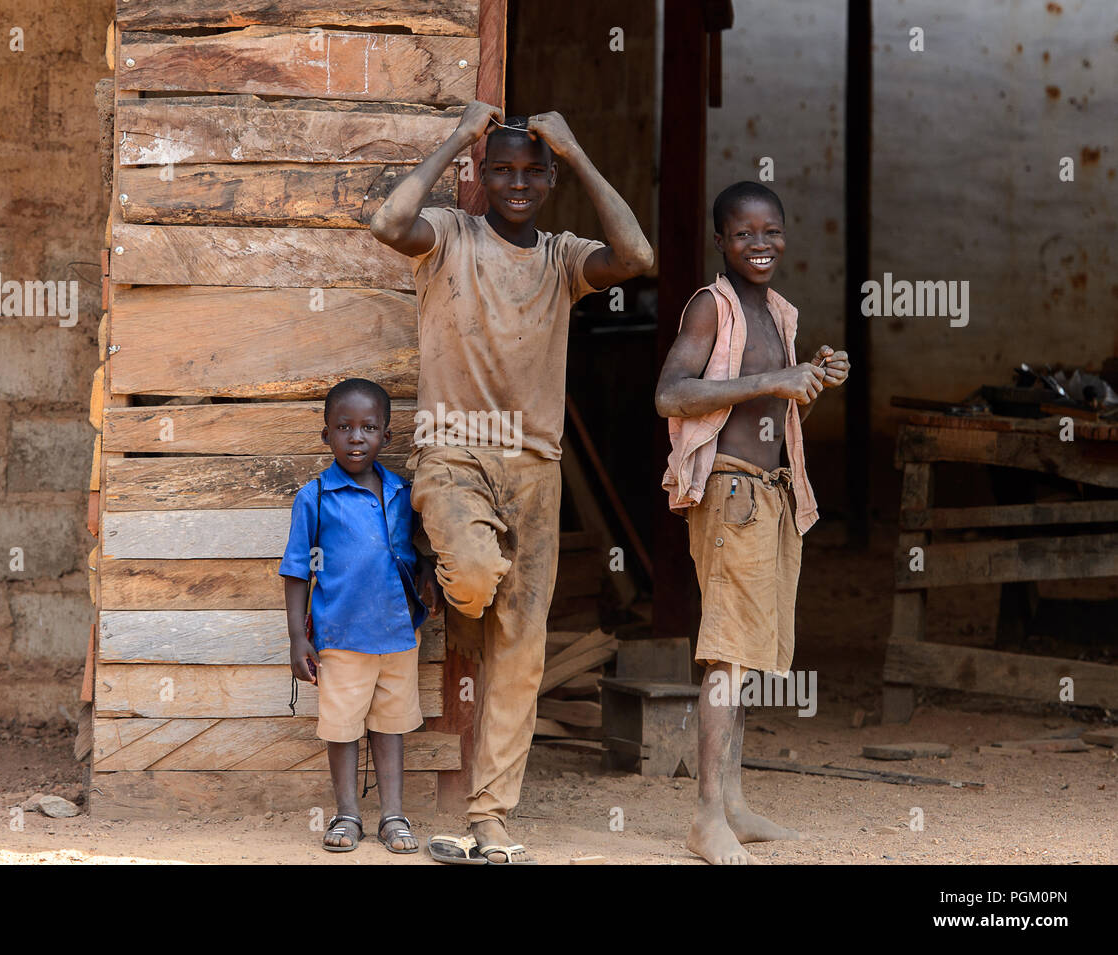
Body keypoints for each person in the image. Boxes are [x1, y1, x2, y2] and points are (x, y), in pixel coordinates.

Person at [370, 101, 654, 863]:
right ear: (480, 174)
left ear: (551, 178)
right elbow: (389, 223)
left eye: (533, 171)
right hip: (453, 453)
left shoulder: (563, 258)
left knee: (521, 651)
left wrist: (581, 150)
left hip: (536, 470)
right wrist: (458, 136)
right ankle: (451, 587)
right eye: (501, 169)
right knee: (471, 571)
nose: (517, 183)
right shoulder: (450, 236)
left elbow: (637, 255)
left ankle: (491, 816)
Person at [655, 181, 850, 864]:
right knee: (726, 653)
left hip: (769, 494)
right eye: (743, 234)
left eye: (770, 232)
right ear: (721, 242)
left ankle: (732, 803)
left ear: (785, 234)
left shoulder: (776, 312)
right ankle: (707, 816)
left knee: (744, 658)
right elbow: (670, 393)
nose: (759, 245)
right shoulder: (714, 307)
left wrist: (812, 380)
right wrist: (774, 381)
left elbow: (774, 417)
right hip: (729, 494)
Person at [279, 378, 442, 854]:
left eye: (368, 427)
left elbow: (422, 550)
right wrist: (296, 639)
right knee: (344, 729)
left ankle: (394, 816)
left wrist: (429, 575)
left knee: (391, 728)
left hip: (398, 635)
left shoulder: (404, 493)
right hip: (340, 637)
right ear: (325, 434)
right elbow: (296, 571)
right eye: (344, 427)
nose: (356, 437)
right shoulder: (316, 497)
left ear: (386, 437)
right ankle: (347, 814)